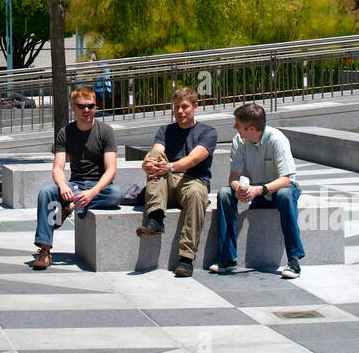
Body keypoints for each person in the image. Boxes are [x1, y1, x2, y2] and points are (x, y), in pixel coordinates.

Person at [30, 87, 121, 269]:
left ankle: (70, 207)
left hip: (99, 186)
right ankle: (45, 251)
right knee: (46, 193)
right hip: (76, 184)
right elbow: (57, 167)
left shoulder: (106, 132)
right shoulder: (65, 132)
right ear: (74, 107)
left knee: (117, 194)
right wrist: (63, 185)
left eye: (90, 106)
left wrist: (93, 192)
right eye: (81, 106)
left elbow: (111, 170)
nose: (86, 110)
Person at [214, 103, 305, 279]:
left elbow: (286, 179)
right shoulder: (239, 140)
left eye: (238, 125)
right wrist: (238, 189)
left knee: (286, 195)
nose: (234, 128)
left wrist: (261, 189)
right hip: (254, 190)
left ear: (252, 129)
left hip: (278, 188)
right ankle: (227, 258)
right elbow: (233, 178)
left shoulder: (277, 140)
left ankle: (294, 259)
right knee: (225, 193)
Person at [135, 86, 218, 278]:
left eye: (185, 107)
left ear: (195, 107)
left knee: (197, 195)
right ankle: (155, 218)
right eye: (176, 107)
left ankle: (186, 259)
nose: (180, 112)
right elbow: (156, 150)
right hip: (167, 181)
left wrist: (170, 167)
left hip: (193, 180)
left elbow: (195, 159)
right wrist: (146, 163)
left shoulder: (208, 132)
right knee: (155, 156)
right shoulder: (165, 130)